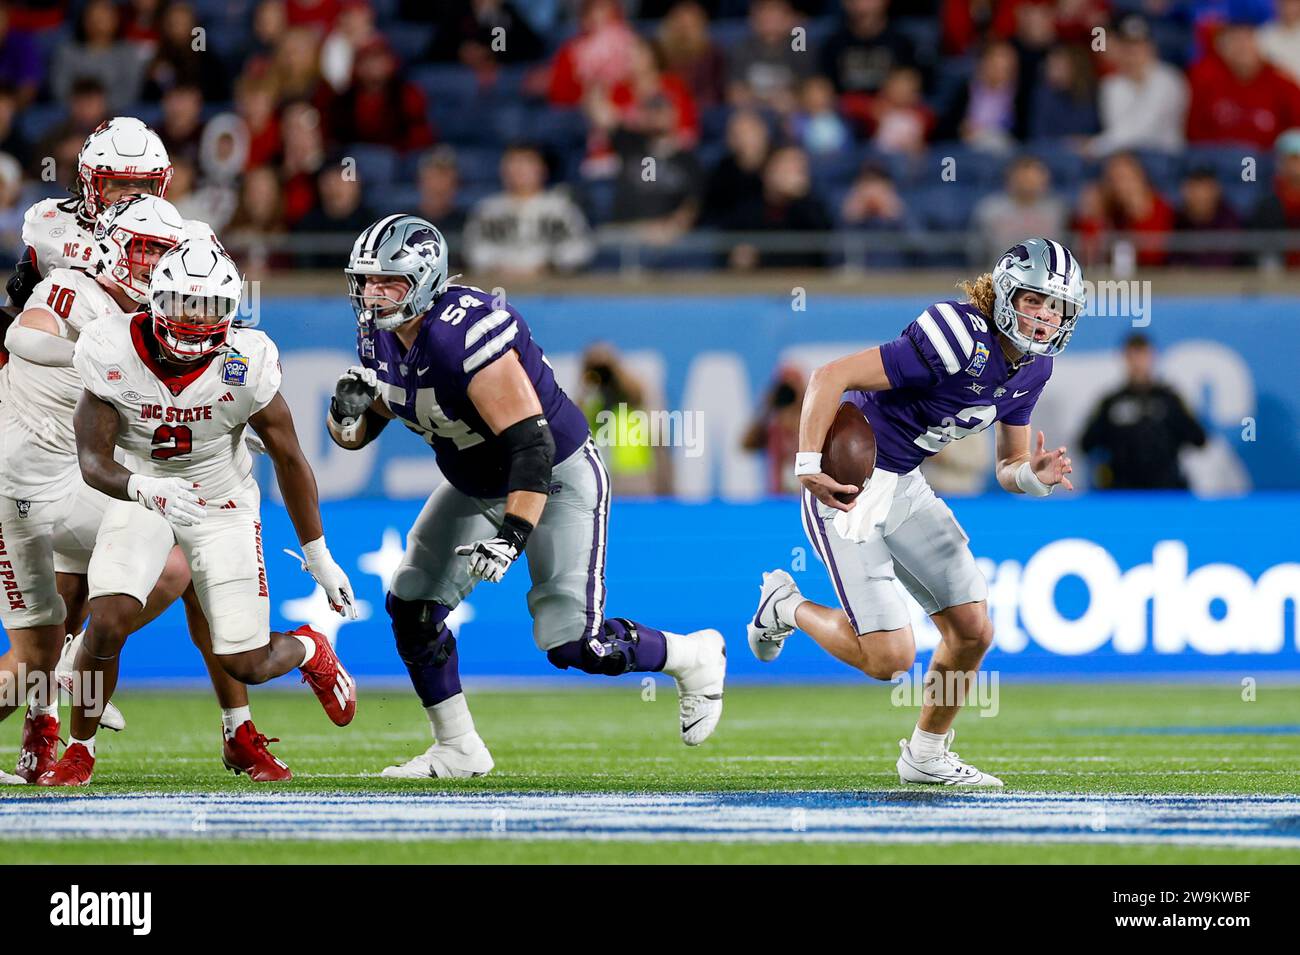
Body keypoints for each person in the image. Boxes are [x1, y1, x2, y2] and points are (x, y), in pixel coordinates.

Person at [327, 214, 726, 778]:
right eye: (366, 281)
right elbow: (355, 434)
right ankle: (457, 747)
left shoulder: (461, 333)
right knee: (412, 607)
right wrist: (344, 412)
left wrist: (512, 535)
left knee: (574, 646)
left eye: (388, 282)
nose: (373, 295)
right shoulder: (377, 336)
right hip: (474, 481)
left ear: (424, 277)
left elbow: (531, 446)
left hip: (553, 477)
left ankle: (693, 656)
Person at [2, 121, 293, 782]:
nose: (128, 195)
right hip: (63, 431)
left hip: (156, 416)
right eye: (116, 184)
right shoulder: (54, 239)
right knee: (73, 602)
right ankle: (50, 718)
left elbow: (221, 327)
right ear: (89, 187)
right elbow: (18, 320)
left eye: (140, 184)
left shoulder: (188, 244)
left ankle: (236, 728)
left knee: (201, 576)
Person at [748, 237, 1085, 786]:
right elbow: (828, 376)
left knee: (973, 629)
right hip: (850, 484)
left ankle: (925, 755)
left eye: (1058, 308)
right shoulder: (955, 336)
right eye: (1034, 301)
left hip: (904, 483)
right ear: (1003, 293)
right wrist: (808, 461)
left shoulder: (1033, 370)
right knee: (888, 659)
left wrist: (1033, 476)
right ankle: (785, 605)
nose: (1045, 318)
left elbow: (1010, 465)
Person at [39, 235, 359, 786]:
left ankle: (309, 647)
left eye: (210, 305)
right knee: (108, 620)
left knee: (247, 663)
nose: (195, 318)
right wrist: (144, 488)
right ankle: (79, 748)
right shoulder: (110, 346)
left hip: (222, 503)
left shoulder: (249, 359)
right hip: (141, 492)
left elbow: (289, 456)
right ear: (156, 300)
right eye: (186, 302)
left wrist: (319, 555)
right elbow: (92, 459)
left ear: (231, 310)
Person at [1080, 333, 1207, 491]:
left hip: (1166, 489)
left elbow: (1199, 439)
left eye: (1142, 355)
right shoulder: (1111, 402)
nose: (1138, 362)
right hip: (1122, 491)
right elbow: (1085, 444)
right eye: (1132, 356)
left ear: (1152, 357)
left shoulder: (1169, 399)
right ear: (1124, 358)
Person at [463, 143, 593, 277]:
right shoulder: (488, 209)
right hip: (495, 285)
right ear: (502, 170)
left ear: (542, 169)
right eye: (513, 164)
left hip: (552, 287)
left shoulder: (562, 208)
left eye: (527, 163)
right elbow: (473, 249)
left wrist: (548, 266)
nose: (519, 170)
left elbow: (580, 247)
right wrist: (499, 266)